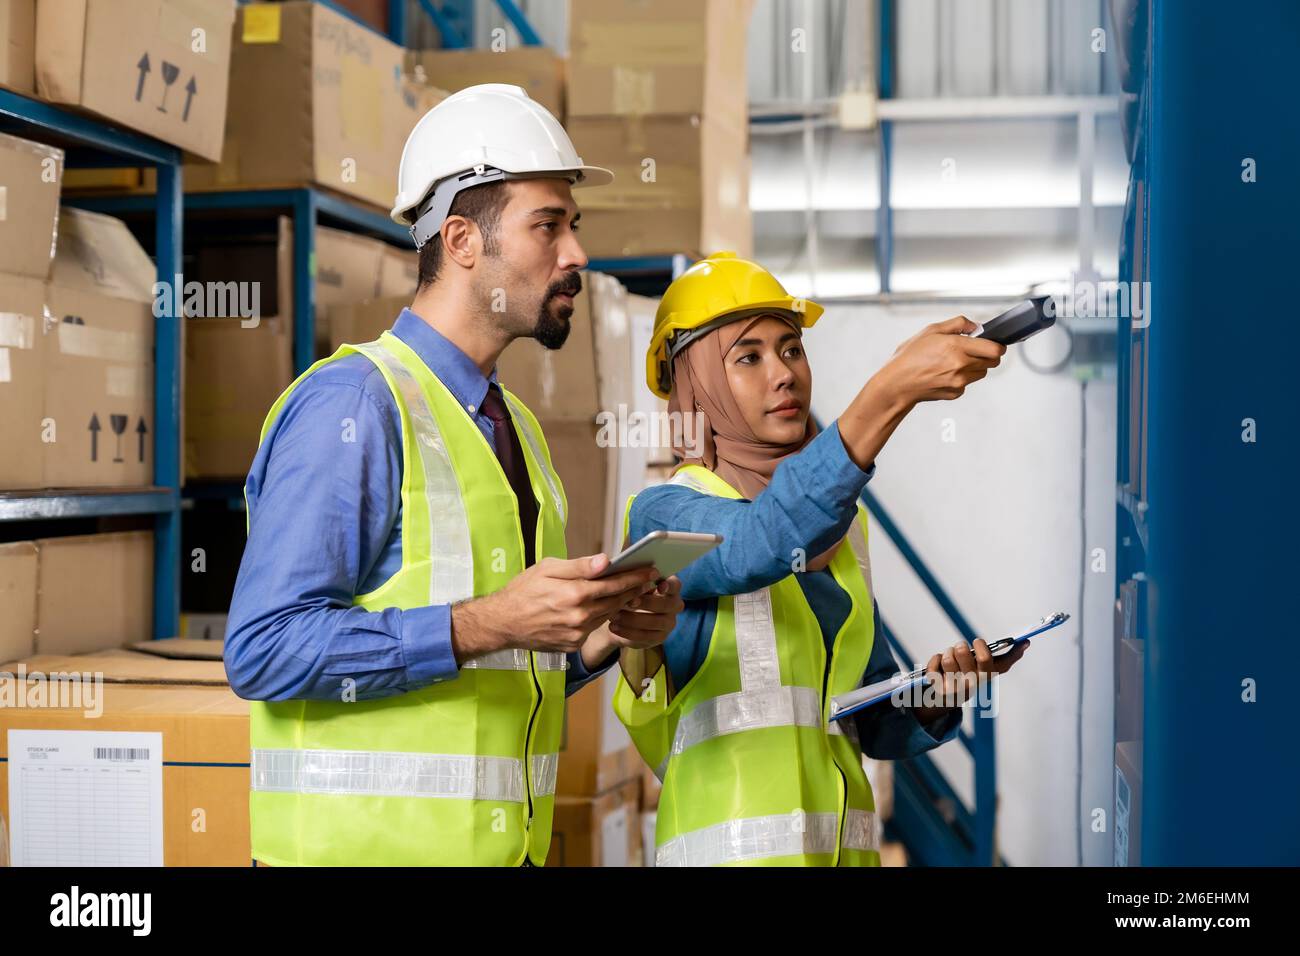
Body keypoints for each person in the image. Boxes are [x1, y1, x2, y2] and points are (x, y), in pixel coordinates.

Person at [225, 85, 684, 867]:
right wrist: (489, 621)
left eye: (574, 226)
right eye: (549, 226)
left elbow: (495, 677)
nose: (576, 254)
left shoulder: (516, 428)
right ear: (464, 240)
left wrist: (596, 636)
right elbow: (264, 650)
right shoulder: (355, 405)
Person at [613, 252, 1029, 867]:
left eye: (791, 349)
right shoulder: (667, 514)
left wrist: (934, 692)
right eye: (747, 358)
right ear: (694, 382)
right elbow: (759, 542)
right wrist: (891, 390)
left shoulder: (843, 526)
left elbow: (864, 717)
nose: (783, 374)